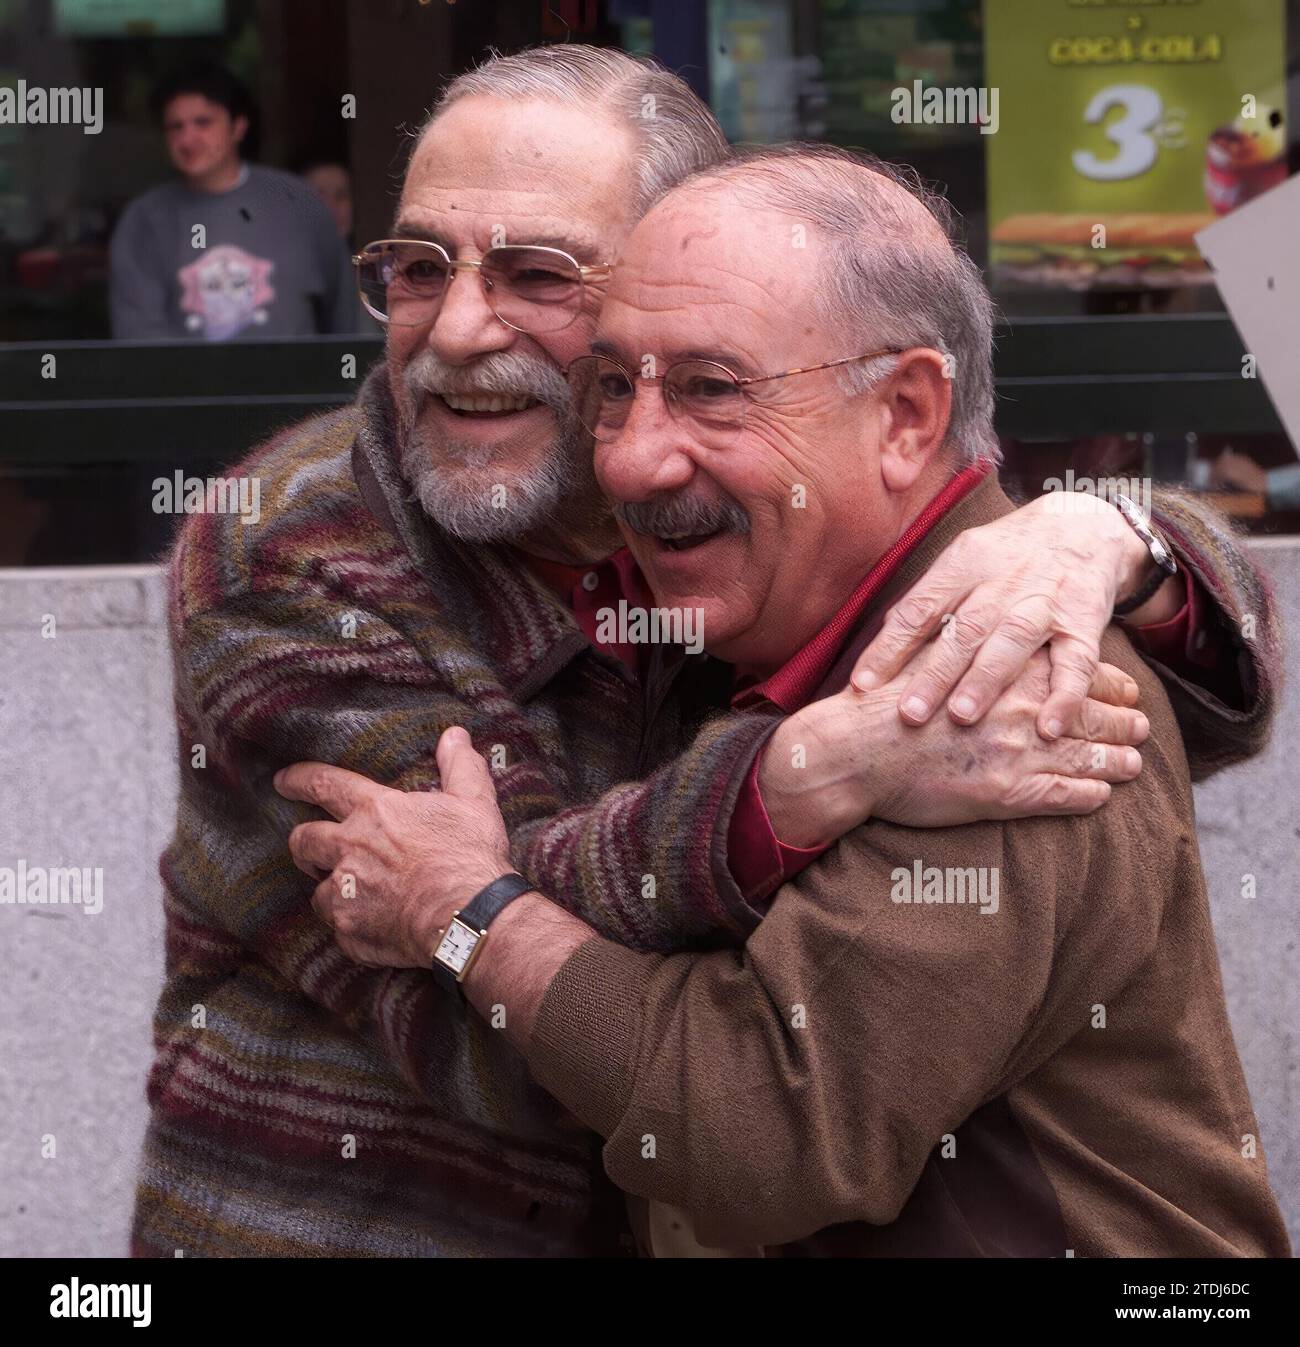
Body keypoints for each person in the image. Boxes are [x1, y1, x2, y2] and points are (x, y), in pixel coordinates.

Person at [132, 47, 1279, 1258]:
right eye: (417, 267)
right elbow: (494, 1008)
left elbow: (709, 1095)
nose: (458, 330)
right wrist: (801, 777)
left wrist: (1117, 535)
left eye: (537, 272)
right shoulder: (295, 548)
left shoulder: (964, 652)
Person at [109, 64, 355, 341]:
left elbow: (343, 314)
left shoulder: (296, 200)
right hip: (187, 384)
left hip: (299, 382)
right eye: (175, 127)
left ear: (238, 127)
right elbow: (139, 336)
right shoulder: (146, 219)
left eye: (203, 122)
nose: (187, 139)